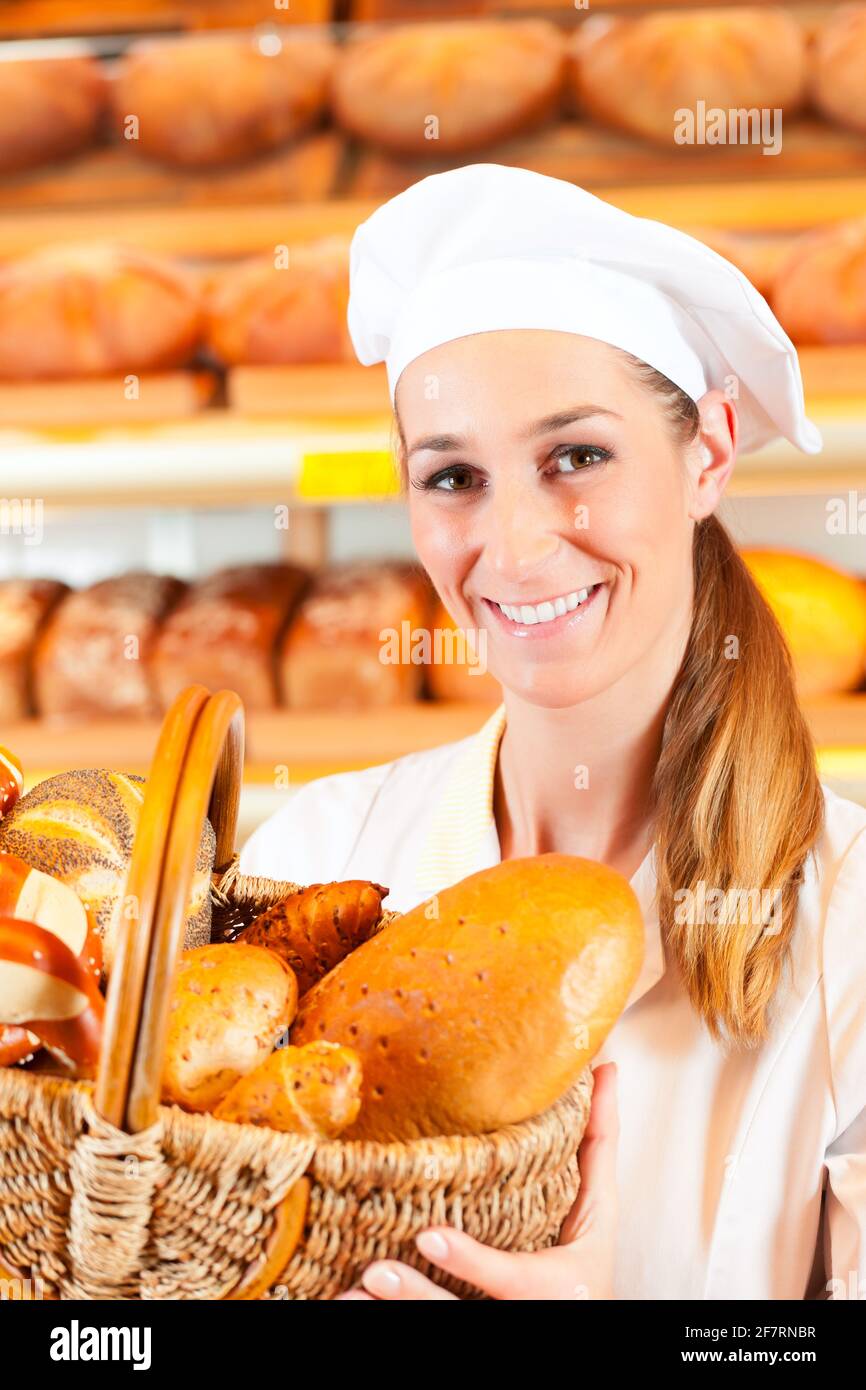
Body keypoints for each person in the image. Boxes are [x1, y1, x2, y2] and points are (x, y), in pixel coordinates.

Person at [240, 164, 866, 1301]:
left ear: (707, 452)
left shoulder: (851, 923)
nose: (515, 547)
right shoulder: (312, 858)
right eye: (453, 476)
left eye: (575, 456)